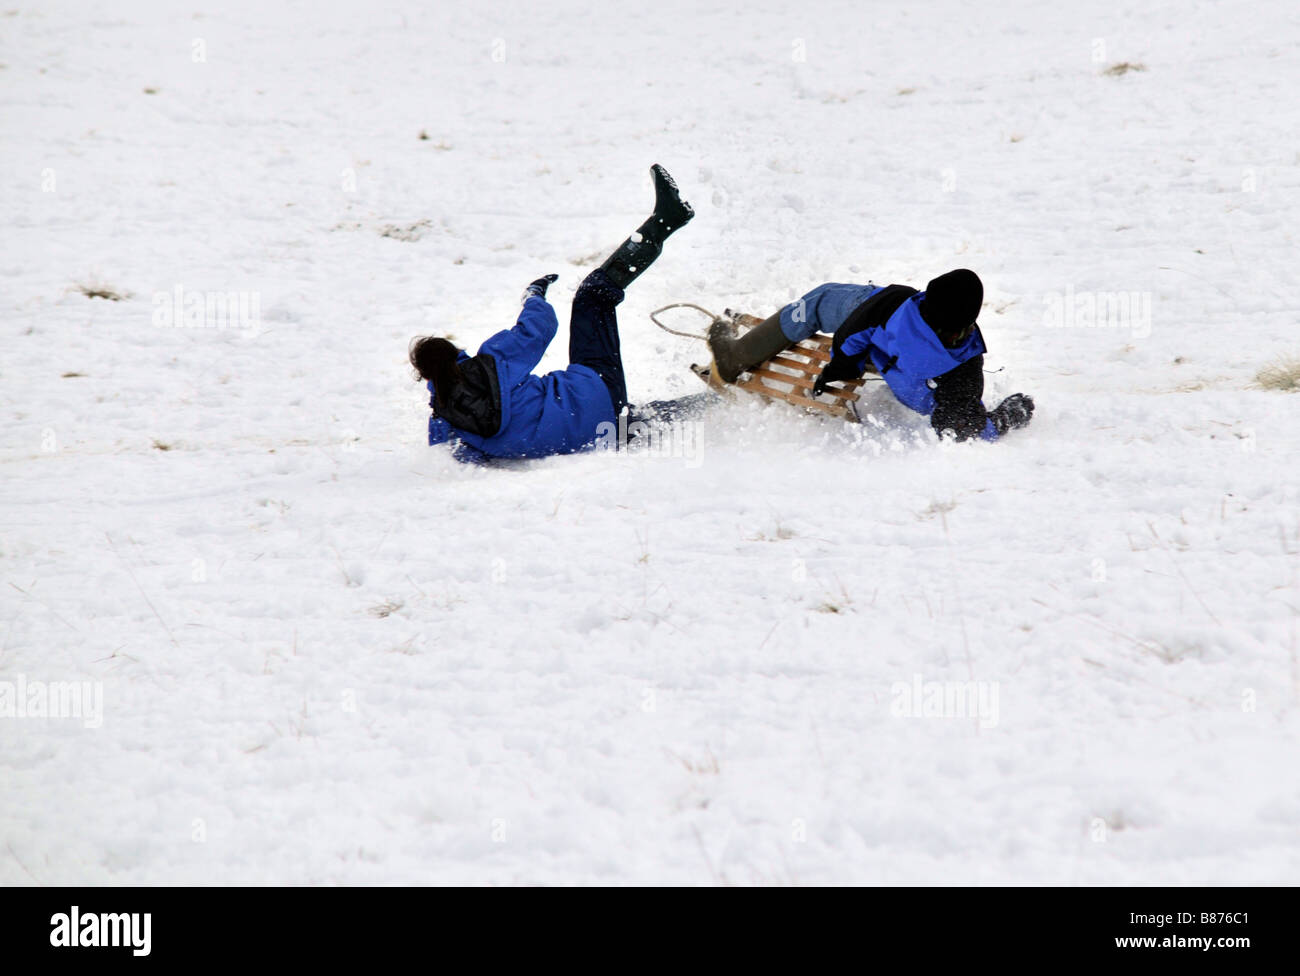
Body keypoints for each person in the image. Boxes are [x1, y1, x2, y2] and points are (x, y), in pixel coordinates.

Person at [410, 165, 698, 462]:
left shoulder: (444, 424)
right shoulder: (489, 363)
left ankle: (730, 406)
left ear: (424, 376)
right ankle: (666, 219)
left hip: (597, 432)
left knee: (647, 418)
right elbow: (540, 327)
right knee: (592, 297)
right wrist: (533, 295)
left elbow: (459, 462)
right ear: (455, 353)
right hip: (593, 393)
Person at [706, 270, 1035, 441]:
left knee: (822, 300)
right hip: (905, 377)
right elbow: (963, 430)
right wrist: (1006, 417)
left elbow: (848, 337)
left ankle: (736, 357)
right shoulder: (965, 365)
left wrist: (837, 369)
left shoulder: (893, 305)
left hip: (871, 332)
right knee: (952, 411)